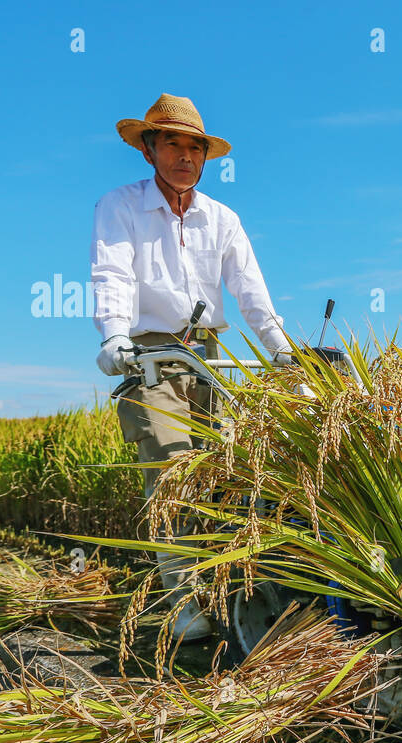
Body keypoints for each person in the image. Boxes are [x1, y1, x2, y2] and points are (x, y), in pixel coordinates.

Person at [90, 93, 294, 642]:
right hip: (150, 354)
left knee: (224, 475)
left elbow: (250, 289)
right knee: (173, 472)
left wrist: (282, 351)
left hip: (209, 354)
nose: (184, 155)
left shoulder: (222, 218)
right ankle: (186, 602)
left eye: (194, 147)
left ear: (205, 158)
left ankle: (233, 588)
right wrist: (113, 334)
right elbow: (112, 271)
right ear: (149, 150)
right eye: (172, 143)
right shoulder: (120, 206)